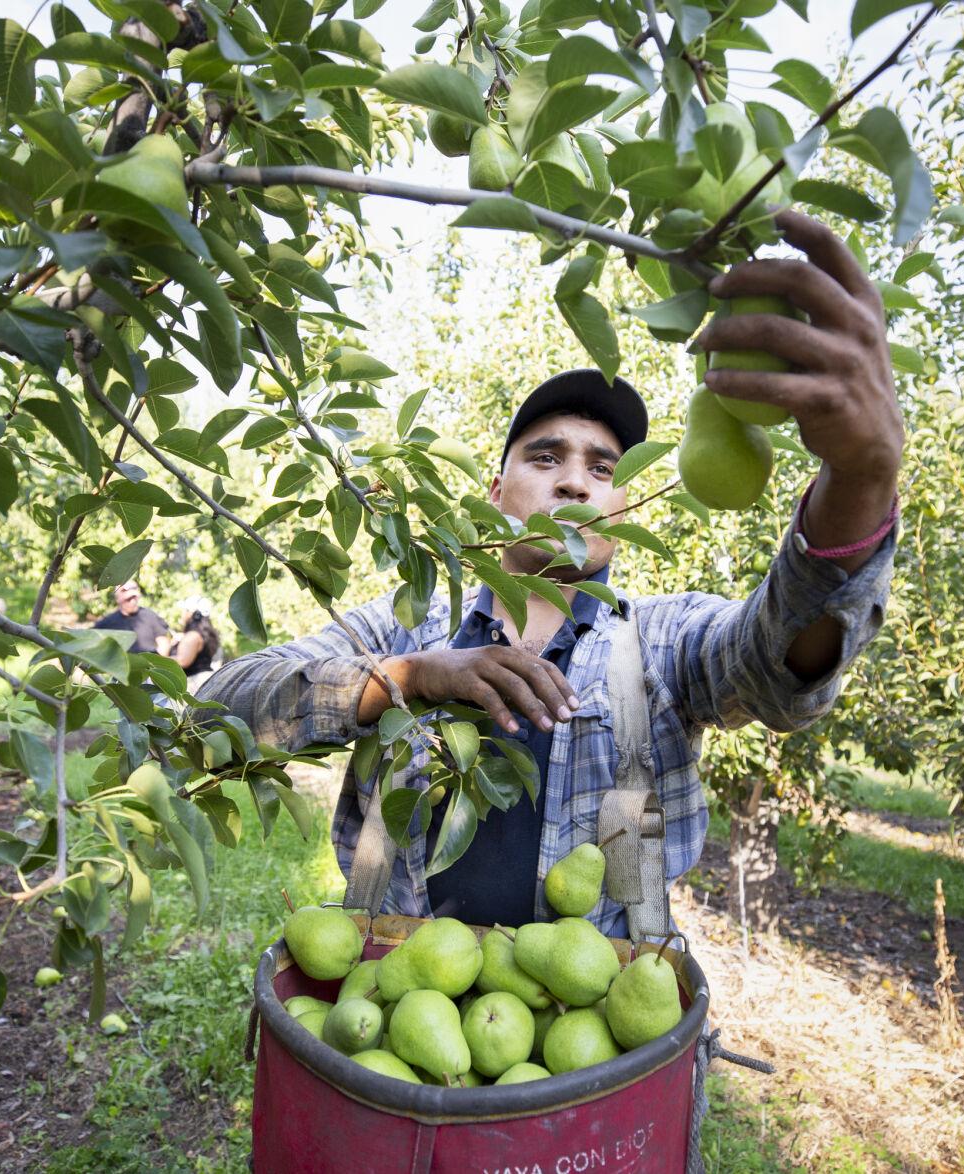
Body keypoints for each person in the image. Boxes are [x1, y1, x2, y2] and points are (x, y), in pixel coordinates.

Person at [197, 211, 903, 936]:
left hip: (603, 1018)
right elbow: (220, 710)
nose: (573, 483)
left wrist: (859, 480)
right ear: (494, 494)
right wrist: (407, 680)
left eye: (602, 468)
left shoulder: (654, 642)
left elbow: (776, 670)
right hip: (394, 1003)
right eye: (544, 458)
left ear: (624, 506)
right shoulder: (407, 624)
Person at [93, 580, 171, 655]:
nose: (132, 601)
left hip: (149, 664)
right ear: (117, 599)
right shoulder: (107, 623)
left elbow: (163, 643)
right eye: (128, 599)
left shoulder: (150, 616)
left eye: (133, 597)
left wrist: (158, 664)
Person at [171, 596, 222, 693]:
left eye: (185, 610)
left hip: (194, 684)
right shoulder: (202, 634)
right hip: (203, 682)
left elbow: (183, 661)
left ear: (194, 614)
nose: (183, 613)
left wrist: (157, 658)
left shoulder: (193, 635)